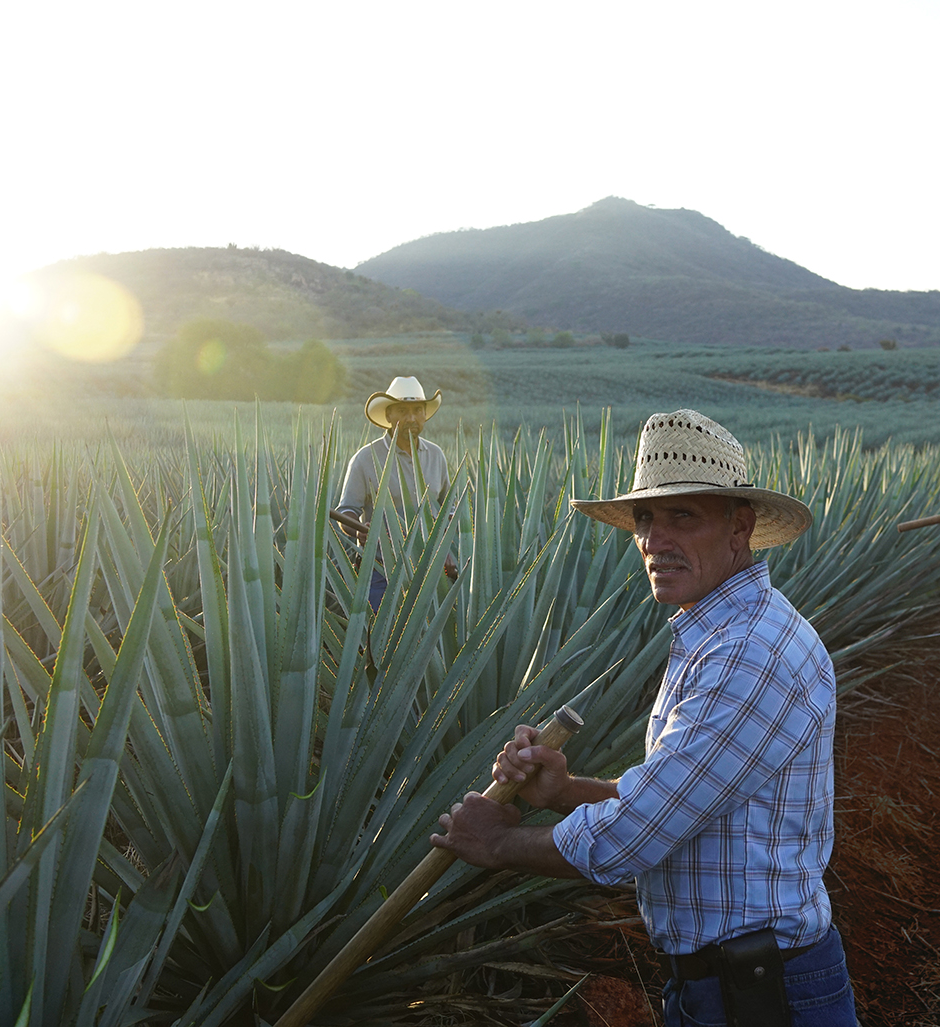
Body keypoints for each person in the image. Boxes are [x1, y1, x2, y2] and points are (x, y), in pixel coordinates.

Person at [431, 409, 859, 1027]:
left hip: (764, 998)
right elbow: (686, 805)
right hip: (729, 987)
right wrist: (563, 792)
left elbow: (634, 835)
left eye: (682, 515)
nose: (656, 540)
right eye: (644, 518)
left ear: (740, 528)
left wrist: (495, 843)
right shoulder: (719, 636)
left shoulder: (749, 652)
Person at [334, 375, 455, 610]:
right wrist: (359, 529)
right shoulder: (365, 458)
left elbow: (448, 507)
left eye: (418, 410)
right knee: (379, 641)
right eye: (402, 411)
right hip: (381, 570)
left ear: (425, 415)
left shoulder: (435, 455)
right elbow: (346, 511)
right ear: (389, 415)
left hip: (430, 569)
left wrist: (446, 547)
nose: (411, 418)